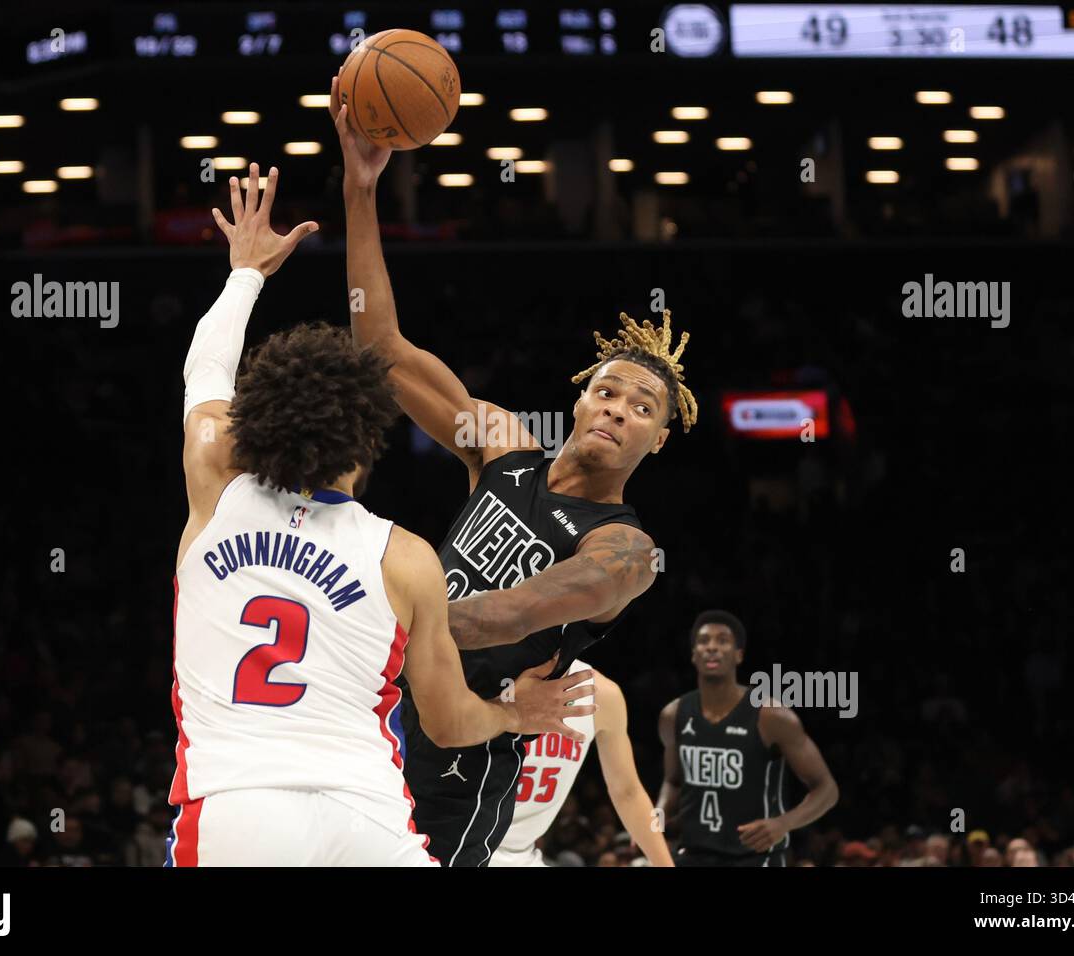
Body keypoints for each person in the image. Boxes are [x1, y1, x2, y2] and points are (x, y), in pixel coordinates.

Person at [167, 164, 593, 866]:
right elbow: (452, 723)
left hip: (234, 807)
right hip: (365, 819)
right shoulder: (405, 557)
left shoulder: (216, 481)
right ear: (367, 441)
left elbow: (205, 370)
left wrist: (245, 272)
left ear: (259, 421)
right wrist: (518, 715)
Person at [332, 69, 697, 866]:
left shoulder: (623, 549)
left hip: (461, 755)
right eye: (608, 391)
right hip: (378, 707)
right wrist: (361, 191)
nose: (617, 410)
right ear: (580, 397)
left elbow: (515, 613)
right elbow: (380, 350)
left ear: (659, 440)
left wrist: (371, 622)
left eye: (643, 409)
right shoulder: (500, 446)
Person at [656, 610, 839, 866]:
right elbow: (672, 782)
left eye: (722, 640)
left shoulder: (771, 716)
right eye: (704, 641)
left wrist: (783, 823)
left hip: (756, 858)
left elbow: (827, 789)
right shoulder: (673, 715)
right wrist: (657, 819)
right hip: (693, 855)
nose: (712, 647)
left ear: (739, 654)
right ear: (694, 654)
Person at [490, 661, 674, 867]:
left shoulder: (602, 694)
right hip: (459, 846)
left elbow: (627, 792)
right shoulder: (486, 671)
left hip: (522, 856)